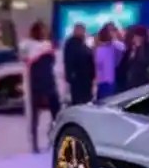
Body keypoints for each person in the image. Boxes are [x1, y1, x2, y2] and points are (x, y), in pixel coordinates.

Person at [21, 21, 60, 153]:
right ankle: (35, 143)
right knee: (36, 116)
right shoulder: (29, 45)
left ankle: (53, 139)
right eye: (42, 30)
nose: (44, 32)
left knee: (56, 113)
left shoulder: (47, 45)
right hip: (38, 84)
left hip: (47, 83)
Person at [63, 23, 95, 105]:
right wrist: (70, 75)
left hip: (86, 79)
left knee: (86, 100)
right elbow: (69, 60)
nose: (83, 33)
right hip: (77, 79)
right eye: (80, 30)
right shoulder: (71, 44)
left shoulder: (83, 44)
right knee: (78, 101)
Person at [93, 23, 125, 100]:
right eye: (110, 30)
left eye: (113, 30)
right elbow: (97, 64)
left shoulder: (114, 46)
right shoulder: (98, 48)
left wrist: (113, 39)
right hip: (101, 81)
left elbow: (123, 48)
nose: (112, 32)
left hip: (110, 81)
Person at [124, 26, 149, 90]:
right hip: (132, 80)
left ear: (143, 37)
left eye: (137, 37)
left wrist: (138, 49)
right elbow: (126, 64)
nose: (135, 39)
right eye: (135, 36)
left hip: (144, 79)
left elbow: (146, 62)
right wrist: (133, 51)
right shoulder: (131, 47)